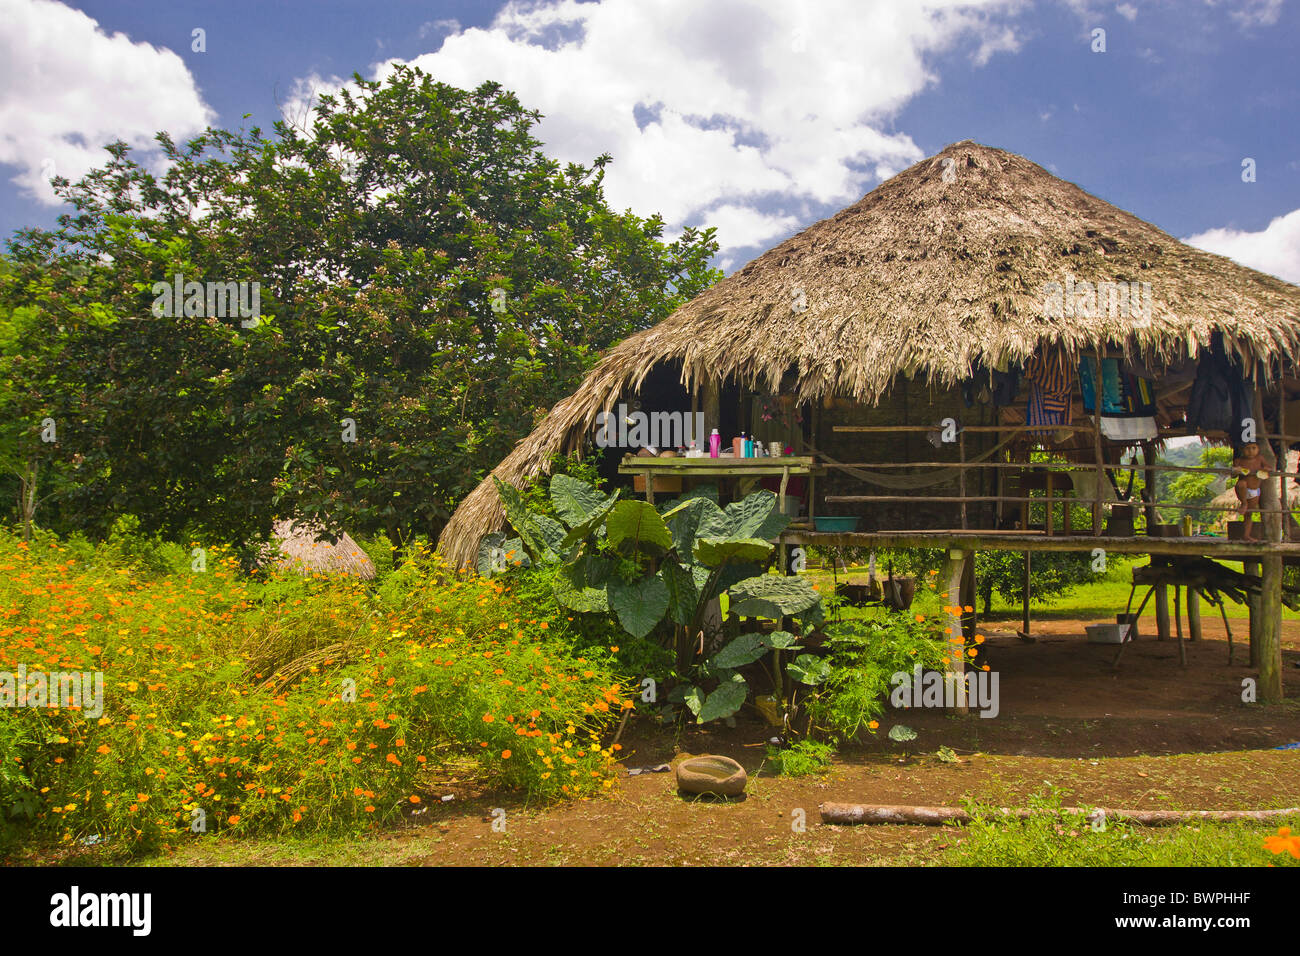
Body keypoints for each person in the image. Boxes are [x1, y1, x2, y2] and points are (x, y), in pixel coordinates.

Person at [1232, 442, 1269, 541]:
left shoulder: (1260, 459)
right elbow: (1233, 475)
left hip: (1254, 491)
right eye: (1248, 448)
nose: (1251, 451)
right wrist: (1236, 470)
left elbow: (1268, 468)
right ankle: (1244, 503)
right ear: (1242, 450)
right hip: (1242, 490)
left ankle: (1246, 535)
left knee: (1249, 514)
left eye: (1253, 448)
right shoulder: (1239, 460)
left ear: (1258, 449)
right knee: (1242, 483)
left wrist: (1264, 469)